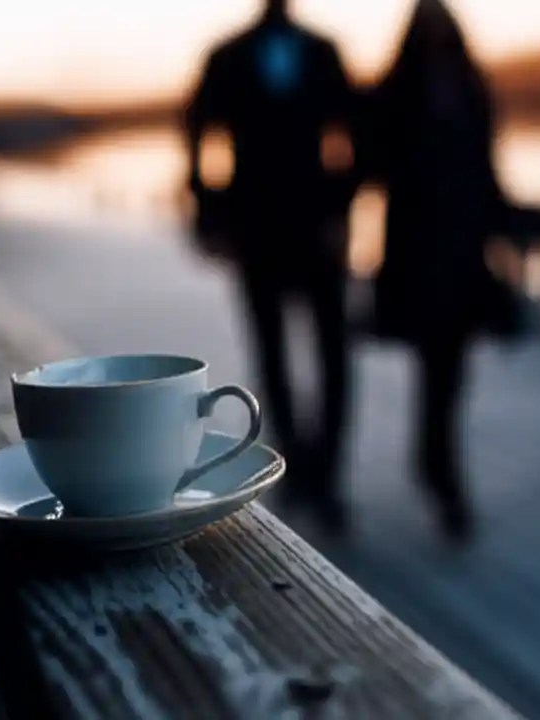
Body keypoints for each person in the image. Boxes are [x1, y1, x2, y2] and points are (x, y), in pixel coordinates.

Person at [185, 0, 358, 530]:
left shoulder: (323, 52)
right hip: (255, 229)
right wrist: (211, 212)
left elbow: (355, 134)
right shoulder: (228, 55)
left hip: (316, 229)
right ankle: (297, 468)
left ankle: (328, 478)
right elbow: (195, 132)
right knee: (272, 353)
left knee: (334, 355)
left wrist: (339, 206)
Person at [365, 0, 513, 539]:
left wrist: (502, 236)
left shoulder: (472, 92)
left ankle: (436, 464)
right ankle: (441, 472)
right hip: (419, 256)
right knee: (438, 367)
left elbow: (489, 171)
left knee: (448, 372)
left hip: (463, 253)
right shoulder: (398, 96)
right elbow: (372, 164)